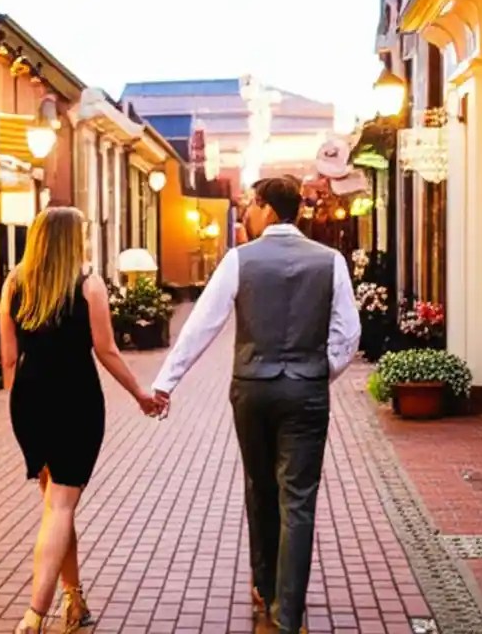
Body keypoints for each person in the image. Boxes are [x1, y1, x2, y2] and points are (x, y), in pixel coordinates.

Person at [152, 176, 361, 633]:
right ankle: (289, 614)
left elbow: (201, 325)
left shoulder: (239, 260)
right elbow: (348, 336)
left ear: (267, 209)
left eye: (250, 204)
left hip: (253, 388)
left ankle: (265, 588)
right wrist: (317, 371)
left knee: (259, 486)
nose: (245, 212)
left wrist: (166, 382)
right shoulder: (331, 262)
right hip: (306, 391)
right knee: (299, 499)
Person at [0, 207, 165, 634]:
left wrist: (20, 406)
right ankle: (34, 615)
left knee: (56, 504)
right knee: (59, 507)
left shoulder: (14, 284)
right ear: (73, 239)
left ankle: (74, 599)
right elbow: (106, 351)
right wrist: (141, 394)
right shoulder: (89, 285)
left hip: (29, 401)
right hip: (75, 401)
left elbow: (8, 360)